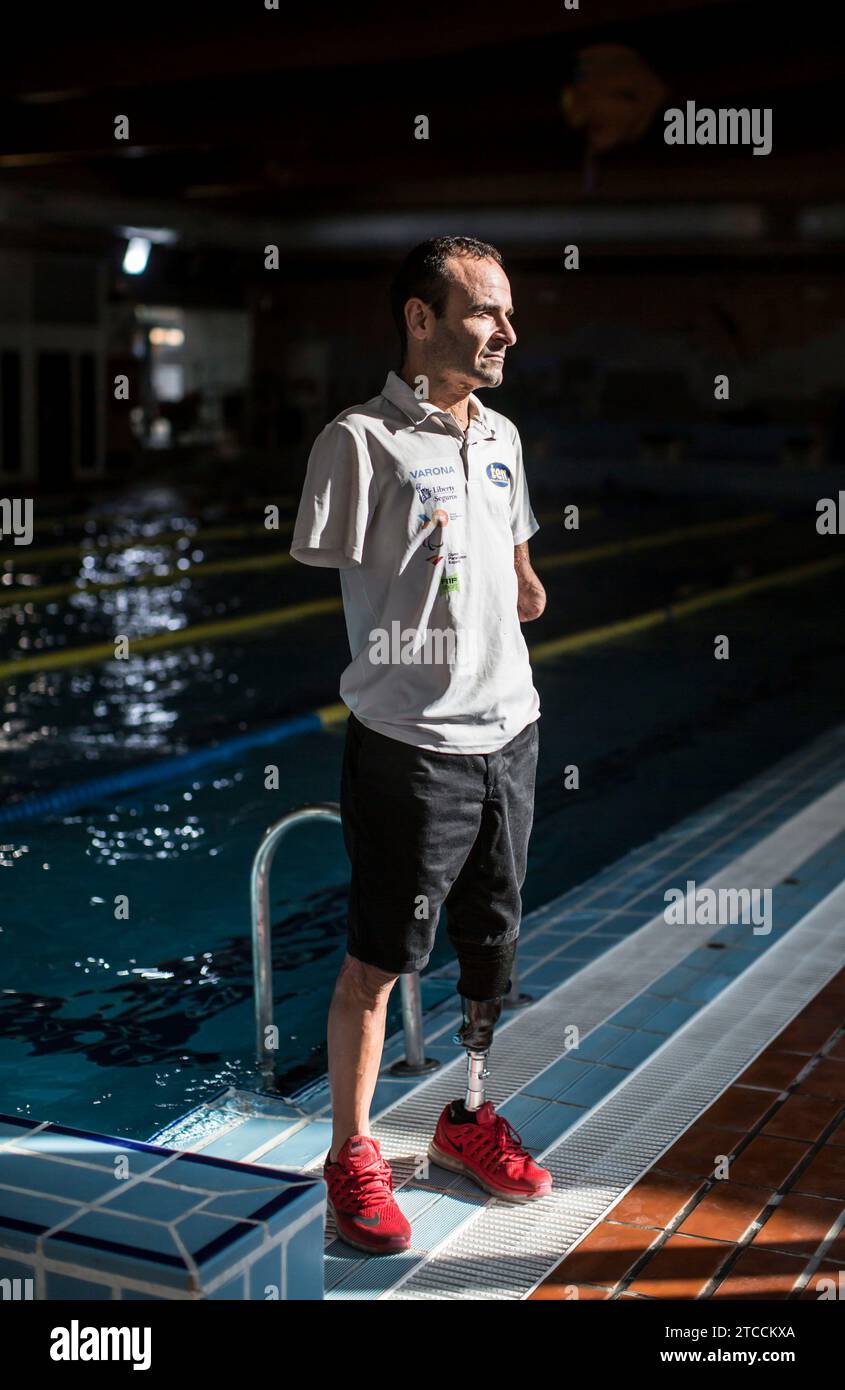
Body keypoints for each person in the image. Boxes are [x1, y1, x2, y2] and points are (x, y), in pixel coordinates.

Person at [290, 235, 551, 1255]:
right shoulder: (355, 442)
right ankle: (350, 1150)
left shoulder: (503, 438)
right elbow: (342, 568)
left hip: (512, 731)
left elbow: (517, 552)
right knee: (379, 957)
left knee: (489, 954)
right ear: (419, 318)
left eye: (507, 312)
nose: (505, 331)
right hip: (410, 743)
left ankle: (464, 1117)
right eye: (485, 311)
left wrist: (521, 581)